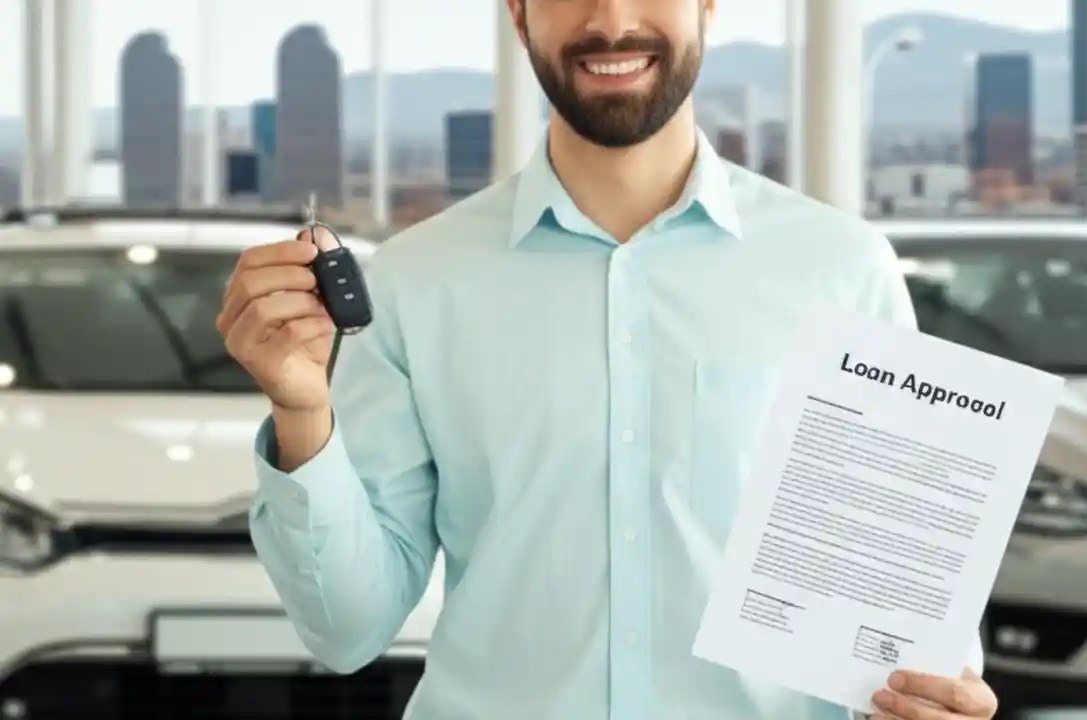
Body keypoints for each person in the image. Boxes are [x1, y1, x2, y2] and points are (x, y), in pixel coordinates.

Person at [216, 1, 999, 718]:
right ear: (519, 14)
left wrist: (935, 698)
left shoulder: (842, 269)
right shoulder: (416, 284)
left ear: (707, 8)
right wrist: (302, 413)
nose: (612, 18)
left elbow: (901, 617)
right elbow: (347, 630)